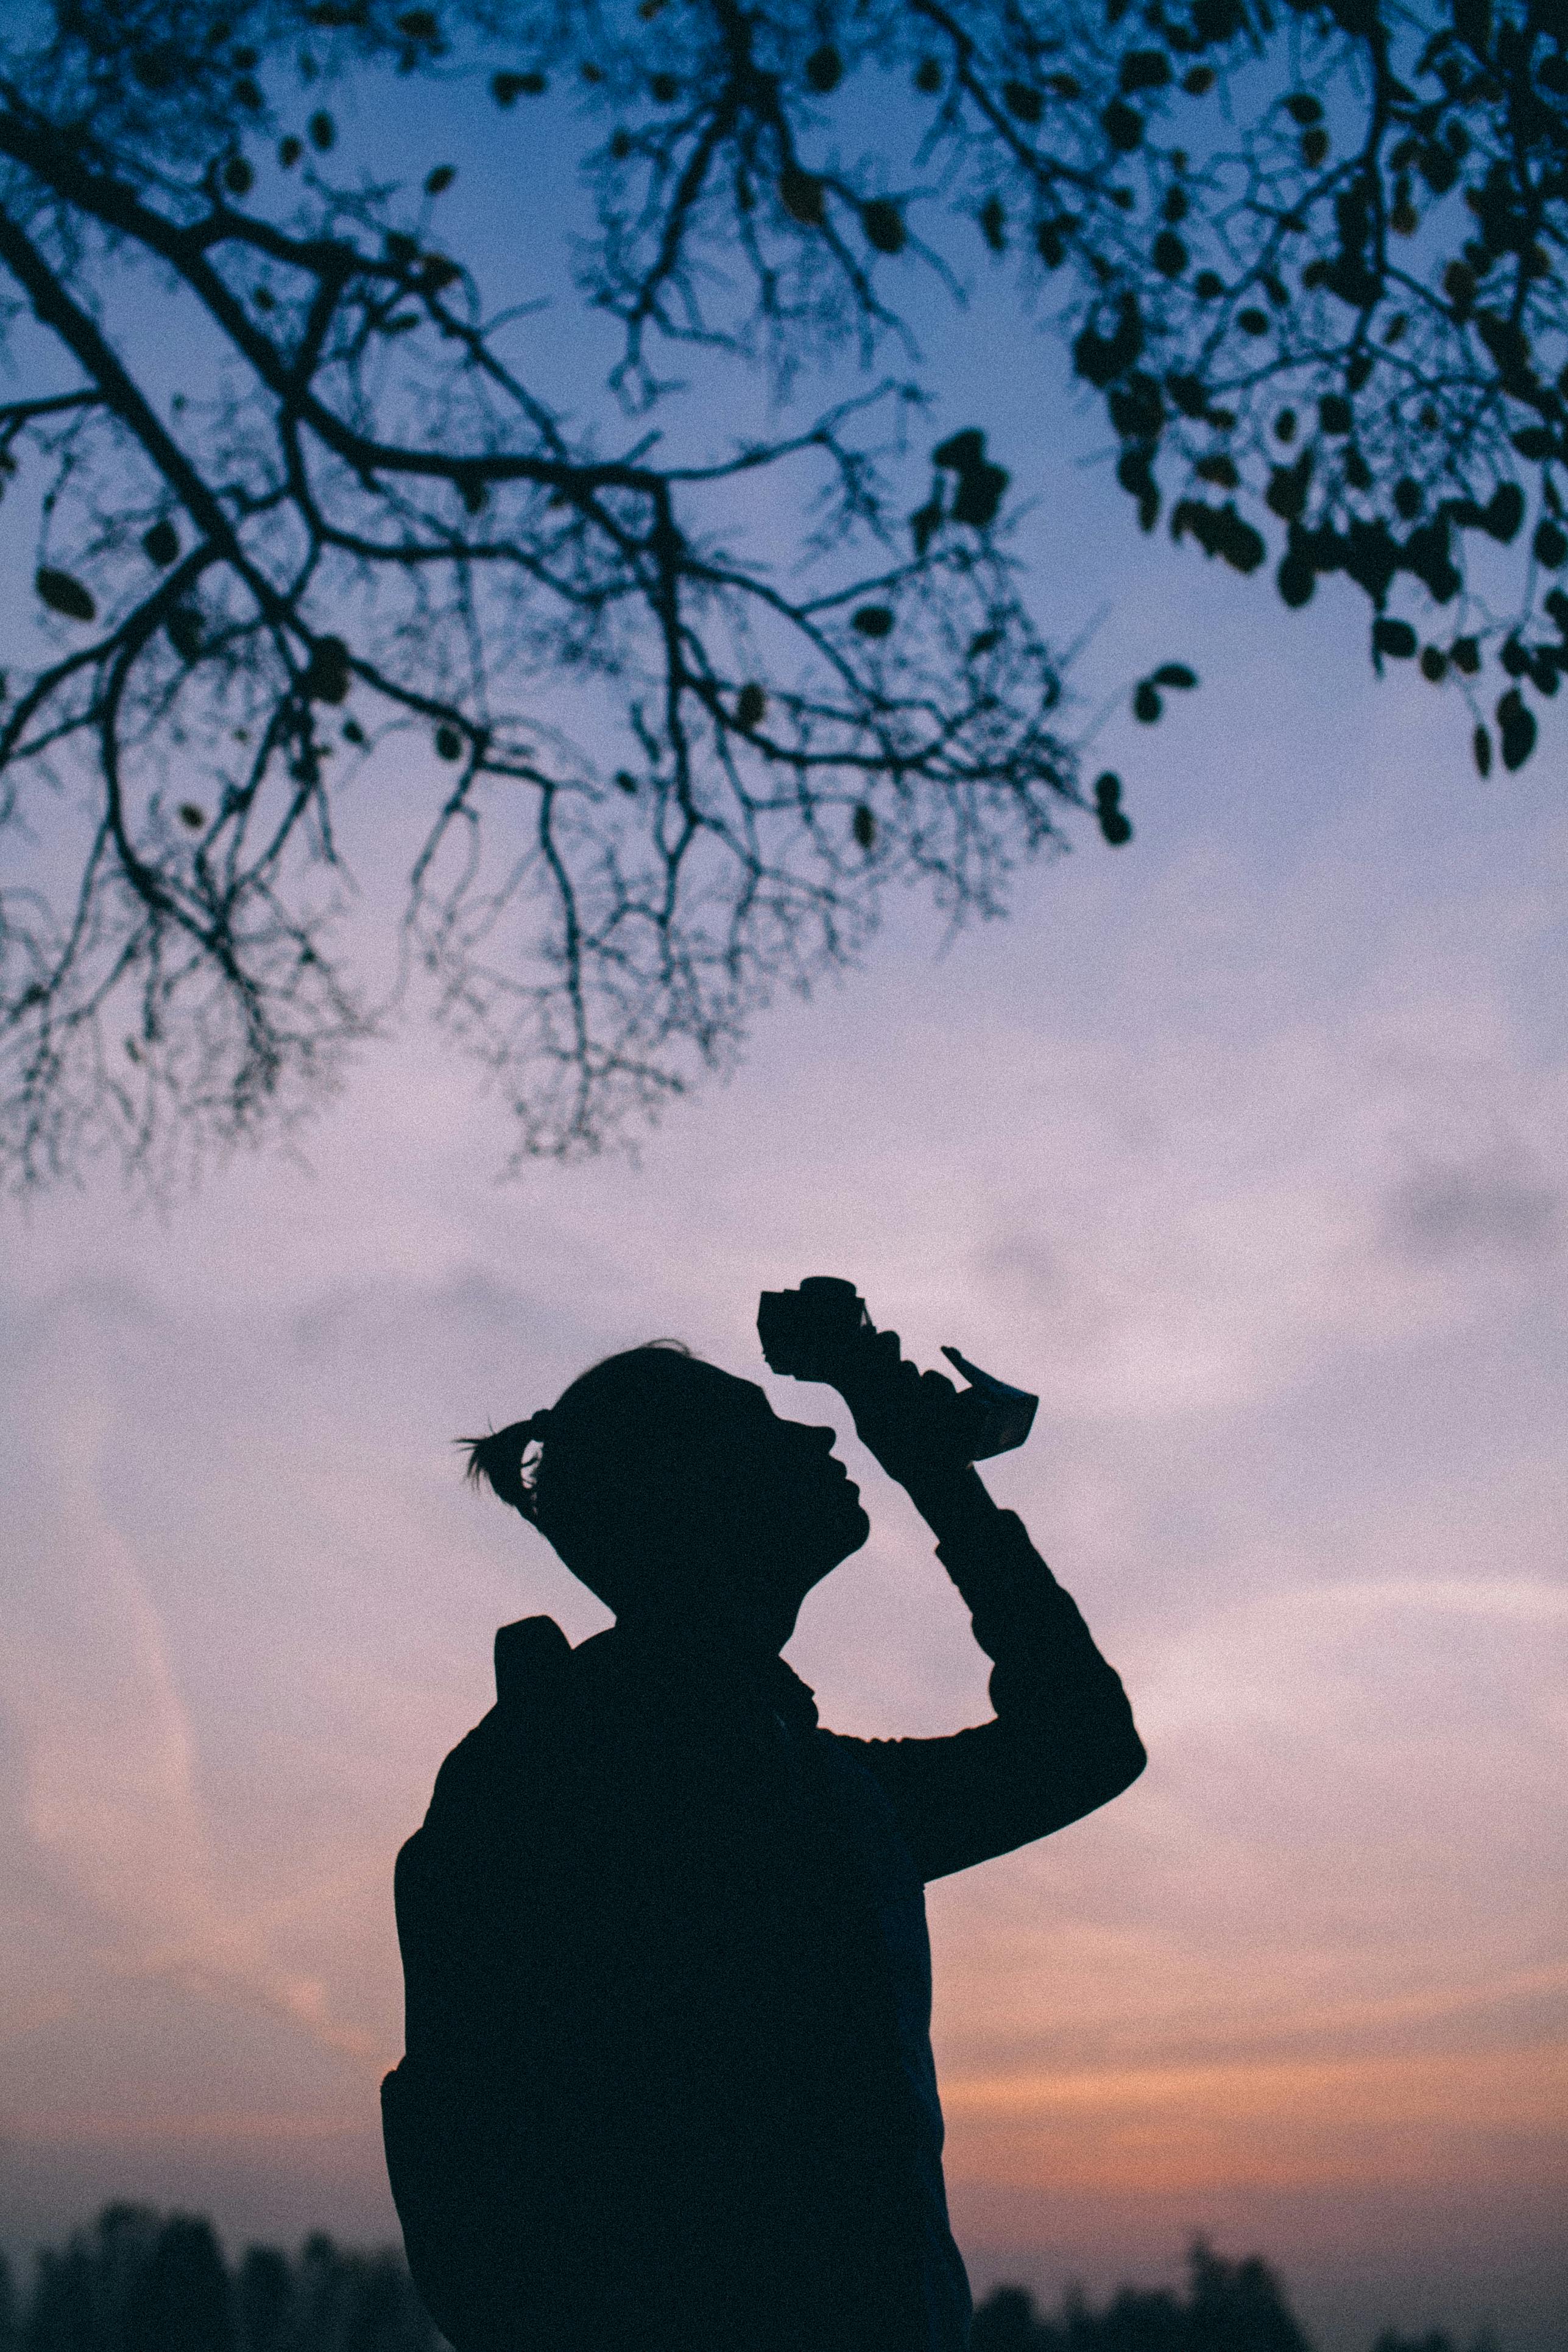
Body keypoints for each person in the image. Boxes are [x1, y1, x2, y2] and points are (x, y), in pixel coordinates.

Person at [381, 1296, 1145, 2352]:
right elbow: (490, 2196)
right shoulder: (568, 1775)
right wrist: (931, 1477)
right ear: (690, 1493)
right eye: (762, 1425)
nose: (821, 1430)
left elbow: (1084, 1746)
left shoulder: (804, 1784)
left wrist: (933, 1469)